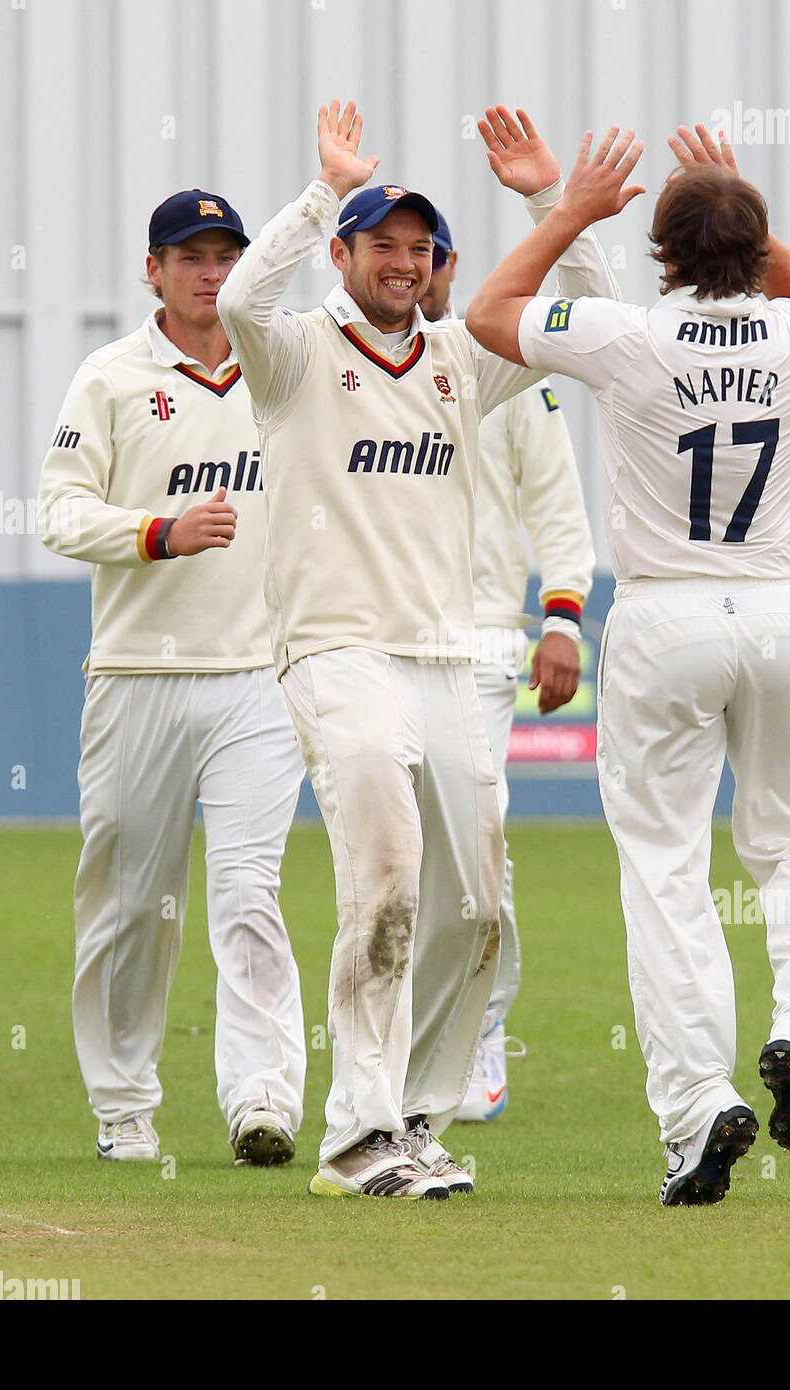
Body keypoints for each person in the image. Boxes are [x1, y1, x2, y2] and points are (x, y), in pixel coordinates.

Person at [217, 101, 616, 1200]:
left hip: (445, 656)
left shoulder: (461, 357)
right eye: (379, 243)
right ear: (343, 254)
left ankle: (420, 1119)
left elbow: (591, 313)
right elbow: (247, 291)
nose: (402, 263)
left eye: (418, 248)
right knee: (387, 880)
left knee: (478, 905)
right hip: (336, 653)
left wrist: (552, 200)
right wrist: (321, 189)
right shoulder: (291, 353)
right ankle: (356, 1137)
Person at [466, 122, 790, 1205]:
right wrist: (730, 197)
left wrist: (570, 207)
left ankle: (696, 1109)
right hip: (777, 613)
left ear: (660, 257)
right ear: (759, 248)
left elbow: (490, 314)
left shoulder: (631, 338)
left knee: (666, 872)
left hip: (664, 620)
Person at [38, 189, 307, 1168]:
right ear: (152, 269)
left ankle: (263, 1101)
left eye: (226, 255)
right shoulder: (110, 378)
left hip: (257, 678)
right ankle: (123, 1106)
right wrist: (156, 532)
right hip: (136, 674)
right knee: (127, 904)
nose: (210, 272)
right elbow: (58, 513)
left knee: (249, 891)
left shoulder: (284, 369)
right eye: (189, 256)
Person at [418, 213, 595, 1122]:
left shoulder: (503, 368)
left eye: (431, 255)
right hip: (375, 644)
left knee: (477, 847)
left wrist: (562, 617)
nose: (416, 270)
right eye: (397, 253)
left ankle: (481, 1024)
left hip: (483, 643)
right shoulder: (341, 363)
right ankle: (396, 1058)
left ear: (451, 266)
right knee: (388, 859)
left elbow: (557, 504)